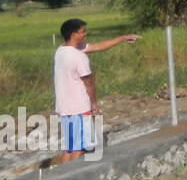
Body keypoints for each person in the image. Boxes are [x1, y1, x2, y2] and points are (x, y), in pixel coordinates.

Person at [52, 19, 139, 165]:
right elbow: (89, 84)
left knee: (69, 148)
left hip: (64, 108)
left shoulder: (61, 51)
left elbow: (97, 46)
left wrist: (122, 38)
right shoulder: (79, 57)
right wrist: (93, 103)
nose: (86, 34)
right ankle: (71, 179)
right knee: (79, 149)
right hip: (79, 108)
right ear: (74, 34)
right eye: (83, 31)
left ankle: (59, 177)